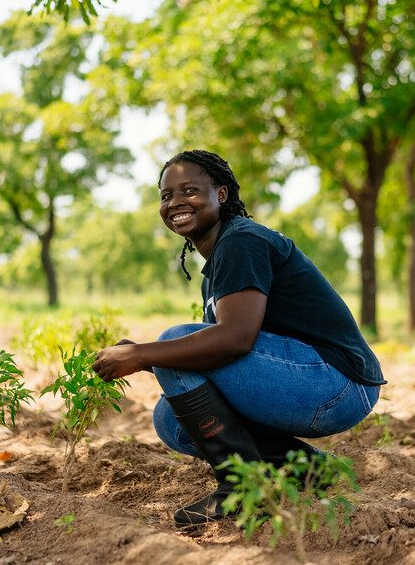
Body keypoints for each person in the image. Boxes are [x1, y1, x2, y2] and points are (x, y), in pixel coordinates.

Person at [92, 150, 385, 526]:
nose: (176, 202)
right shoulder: (216, 267)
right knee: (172, 420)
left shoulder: (241, 242)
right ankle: (313, 471)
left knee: (175, 339)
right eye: (166, 196)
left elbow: (234, 340)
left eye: (190, 190)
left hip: (336, 384)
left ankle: (243, 490)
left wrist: (144, 351)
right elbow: (211, 360)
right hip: (309, 383)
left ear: (222, 195)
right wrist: (142, 357)